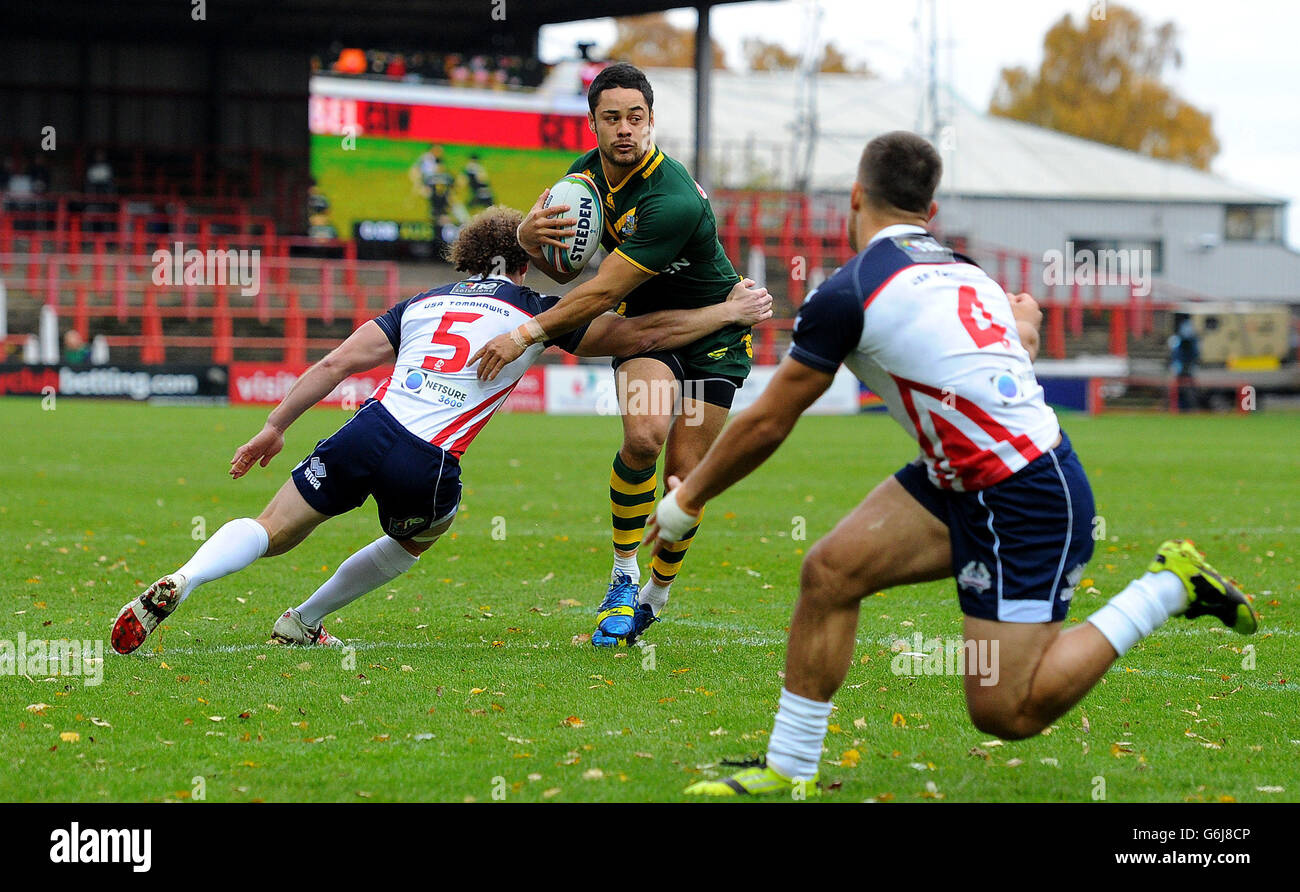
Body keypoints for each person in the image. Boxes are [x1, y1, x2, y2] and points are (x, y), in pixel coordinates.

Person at [643, 131, 1258, 797]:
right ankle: (788, 767)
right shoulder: (970, 272)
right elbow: (1010, 342)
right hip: (959, 476)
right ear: (930, 214)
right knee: (830, 572)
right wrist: (1023, 322)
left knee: (1005, 711)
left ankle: (1167, 587)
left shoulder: (848, 291)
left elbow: (768, 420)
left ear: (855, 196)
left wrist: (685, 501)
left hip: (1026, 495)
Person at [110, 206, 771, 655]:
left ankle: (184, 579)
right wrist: (728, 309)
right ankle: (303, 621)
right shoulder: (538, 311)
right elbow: (645, 333)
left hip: (364, 429)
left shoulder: (420, 303)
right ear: (523, 261)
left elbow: (337, 363)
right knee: (418, 536)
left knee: (269, 530)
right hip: (426, 460)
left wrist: (273, 426)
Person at [473, 63, 754, 648]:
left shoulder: (670, 197)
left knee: (683, 482)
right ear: (594, 123)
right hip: (647, 331)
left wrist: (524, 336)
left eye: (636, 117)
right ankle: (624, 576)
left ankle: (656, 594)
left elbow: (599, 292)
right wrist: (529, 238)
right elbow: (564, 266)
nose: (625, 129)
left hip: (716, 337)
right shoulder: (581, 180)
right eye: (612, 118)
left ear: (651, 121)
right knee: (644, 439)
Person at [1168, 315, 1200, 411]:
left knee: (1188, 389)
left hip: (1187, 367)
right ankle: (1179, 407)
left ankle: (1189, 406)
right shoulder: (1178, 340)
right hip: (1182, 366)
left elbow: (1194, 353)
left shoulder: (1188, 339)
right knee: (1180, 389)